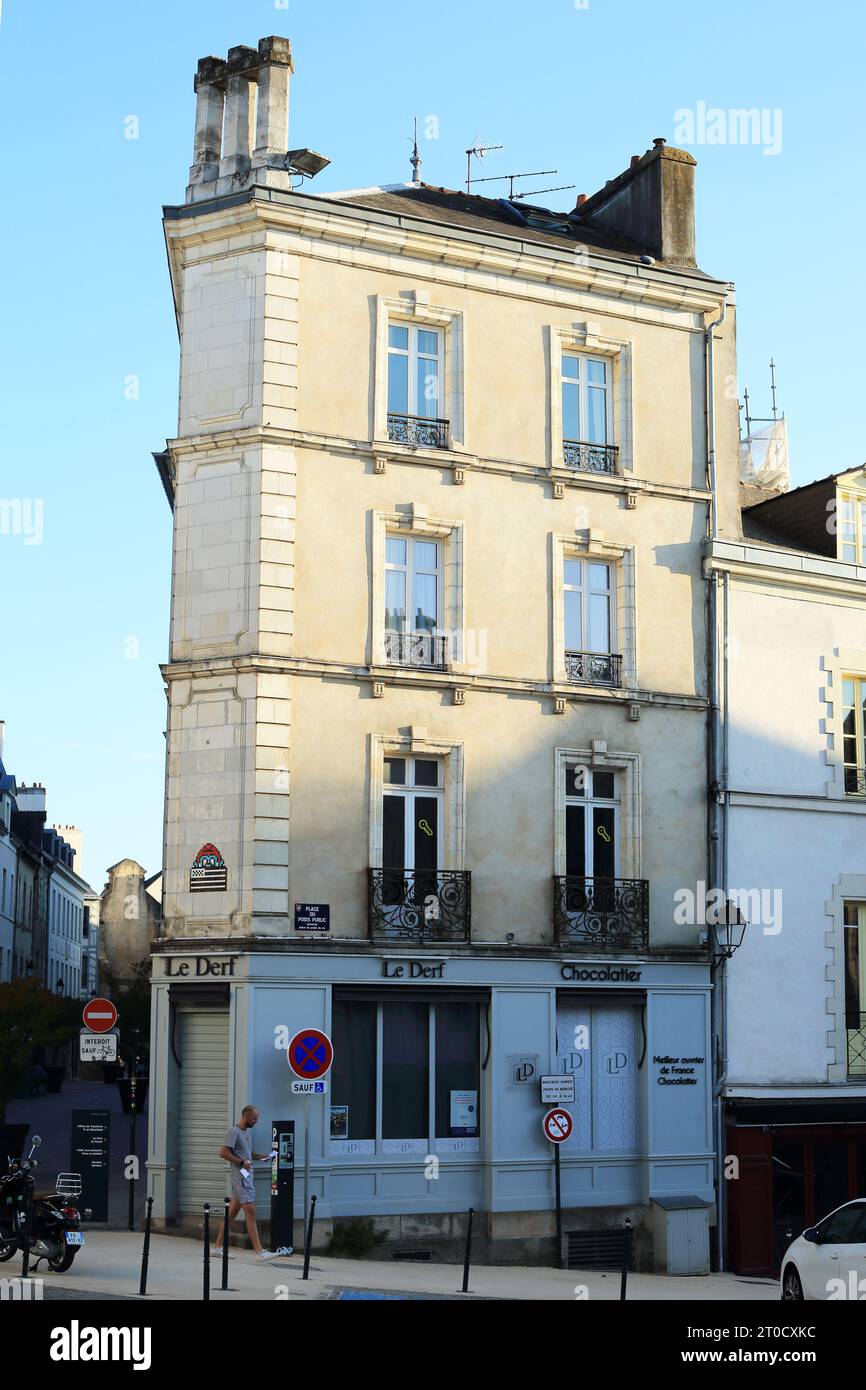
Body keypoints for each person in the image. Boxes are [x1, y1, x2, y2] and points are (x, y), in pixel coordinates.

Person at [213, 1104, 288, 1260]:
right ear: (245, 1116)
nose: (256, 1121)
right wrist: (241, 1162)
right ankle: (259, 1252)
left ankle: (217, 1248)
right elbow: (223, 1152)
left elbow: (246, 1153)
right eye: (254, 1119)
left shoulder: (245, 1132)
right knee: (251, 1213)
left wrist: (262, 1157)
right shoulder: (234, 1132)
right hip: (242, 1179)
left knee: (231, 1216)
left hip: (244, 1178)